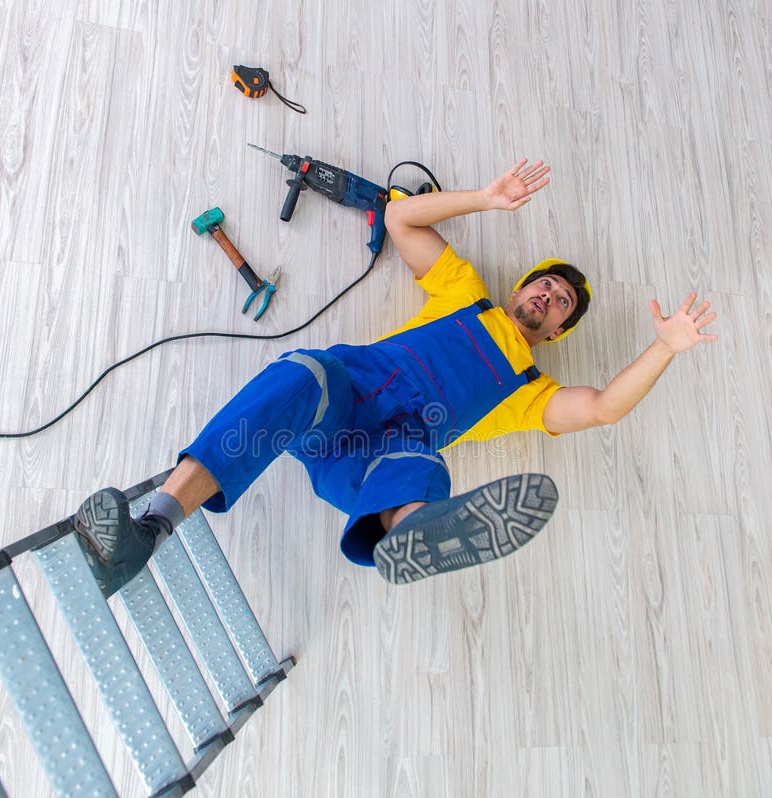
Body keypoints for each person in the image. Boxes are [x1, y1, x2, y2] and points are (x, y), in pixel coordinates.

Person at [73, 159, 717, 593]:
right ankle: (147, 533)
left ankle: (416, 530)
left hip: (370, 459)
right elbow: (402, 217)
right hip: (341, 394)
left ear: (554, 335)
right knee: (300, 375)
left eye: (560, 306)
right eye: (544, 286)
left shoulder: (530, 391)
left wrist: (663, 349)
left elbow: (603, 407)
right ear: (522, 288)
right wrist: (487, 201)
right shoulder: (467, 294)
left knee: (412, 457)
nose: (549, 297)